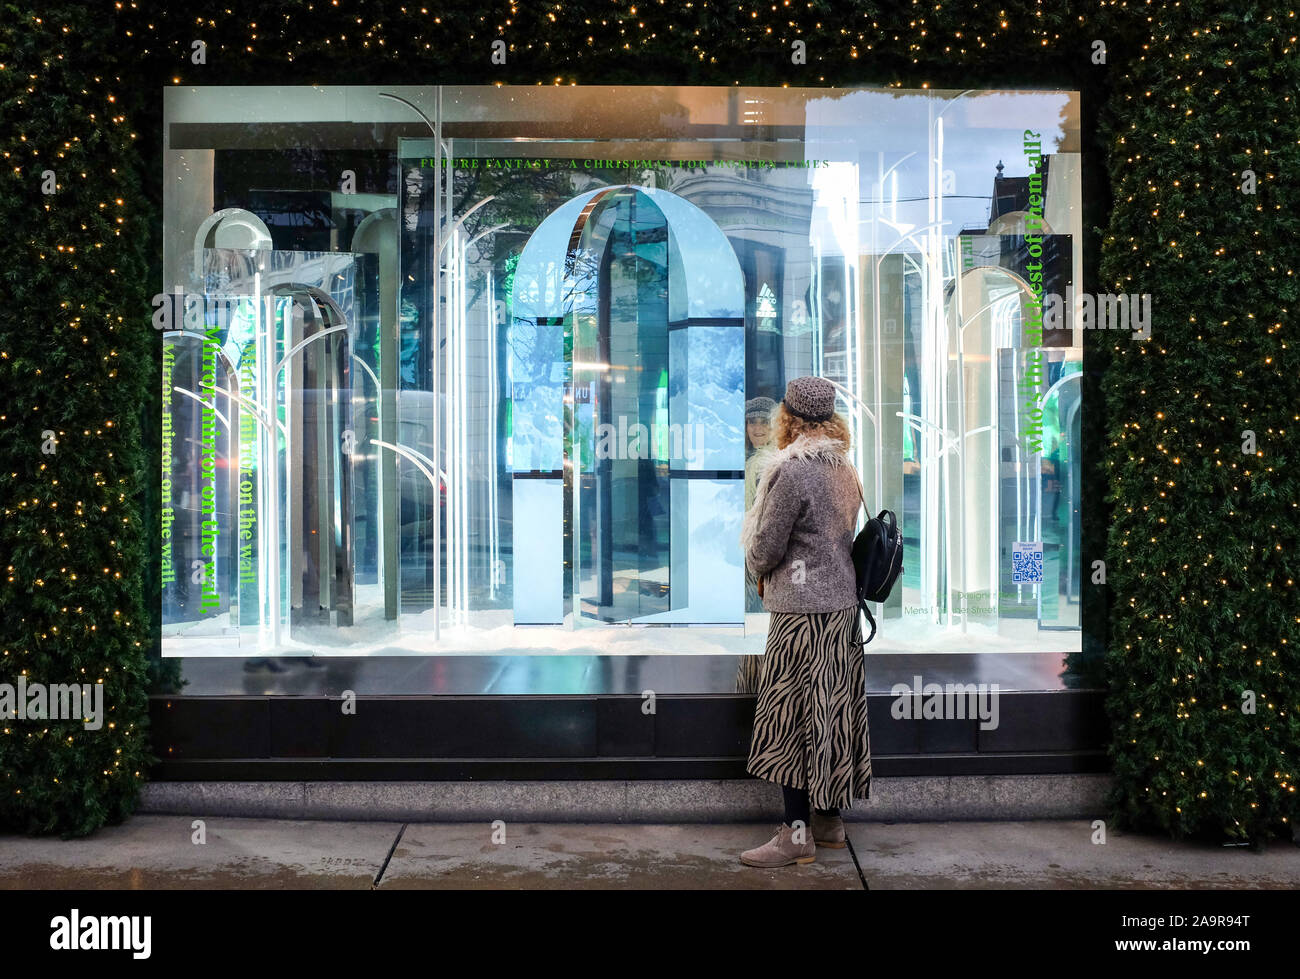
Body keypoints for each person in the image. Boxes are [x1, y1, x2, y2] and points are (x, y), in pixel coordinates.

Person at [737, 375, 872, 867]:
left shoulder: (791, 472)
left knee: (790, 718)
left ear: (788, 418)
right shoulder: (844, 468)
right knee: (829, 712)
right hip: (840, 613)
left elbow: (766, 548)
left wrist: (753, 560)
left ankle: (796, 835)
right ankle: (829, 821)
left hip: (799, 616)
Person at [736, 397, 776, 694]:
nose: (758, 428)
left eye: (764, 422)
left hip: (759, 556)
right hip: (752, 552)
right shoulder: (752, 460)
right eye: (753, 422)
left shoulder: (766, 463)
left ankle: (756, 689)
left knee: (757, 624)